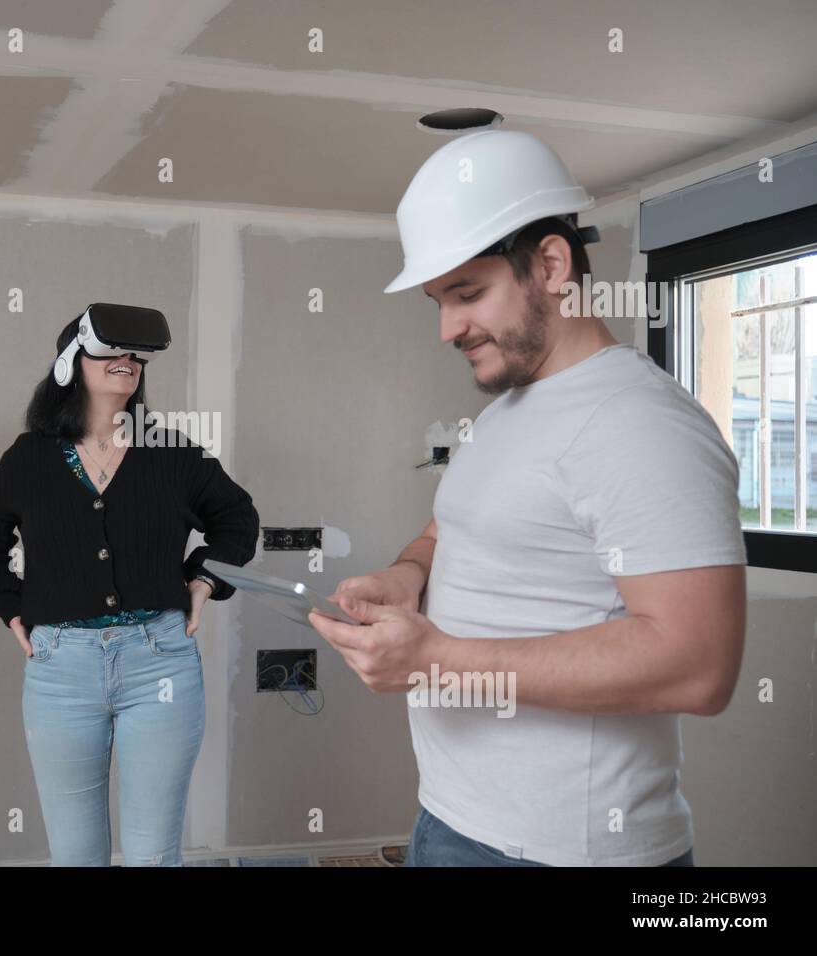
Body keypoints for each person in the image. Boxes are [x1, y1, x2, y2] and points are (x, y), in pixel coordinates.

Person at [309, 130, 746, 867]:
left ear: (550, 263)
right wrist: (406, 576)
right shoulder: (509, 410)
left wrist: (437, 660)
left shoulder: (640, 424)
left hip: (561, 851)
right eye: (438, 301)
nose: (448, 328)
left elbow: (697, 664)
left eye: (468, 294)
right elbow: (447, 529)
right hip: (452, 819)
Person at [0, 311, 259, 866]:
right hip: (60, 671)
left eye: (135, 355)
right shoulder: (29, 457)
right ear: (68, 364)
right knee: (76, 855)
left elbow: (237, 516)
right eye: (107, 352)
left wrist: (205, 579)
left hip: (160, 664)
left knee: (153, 854)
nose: (125, 361)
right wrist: (9, 604)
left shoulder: (171, 453)